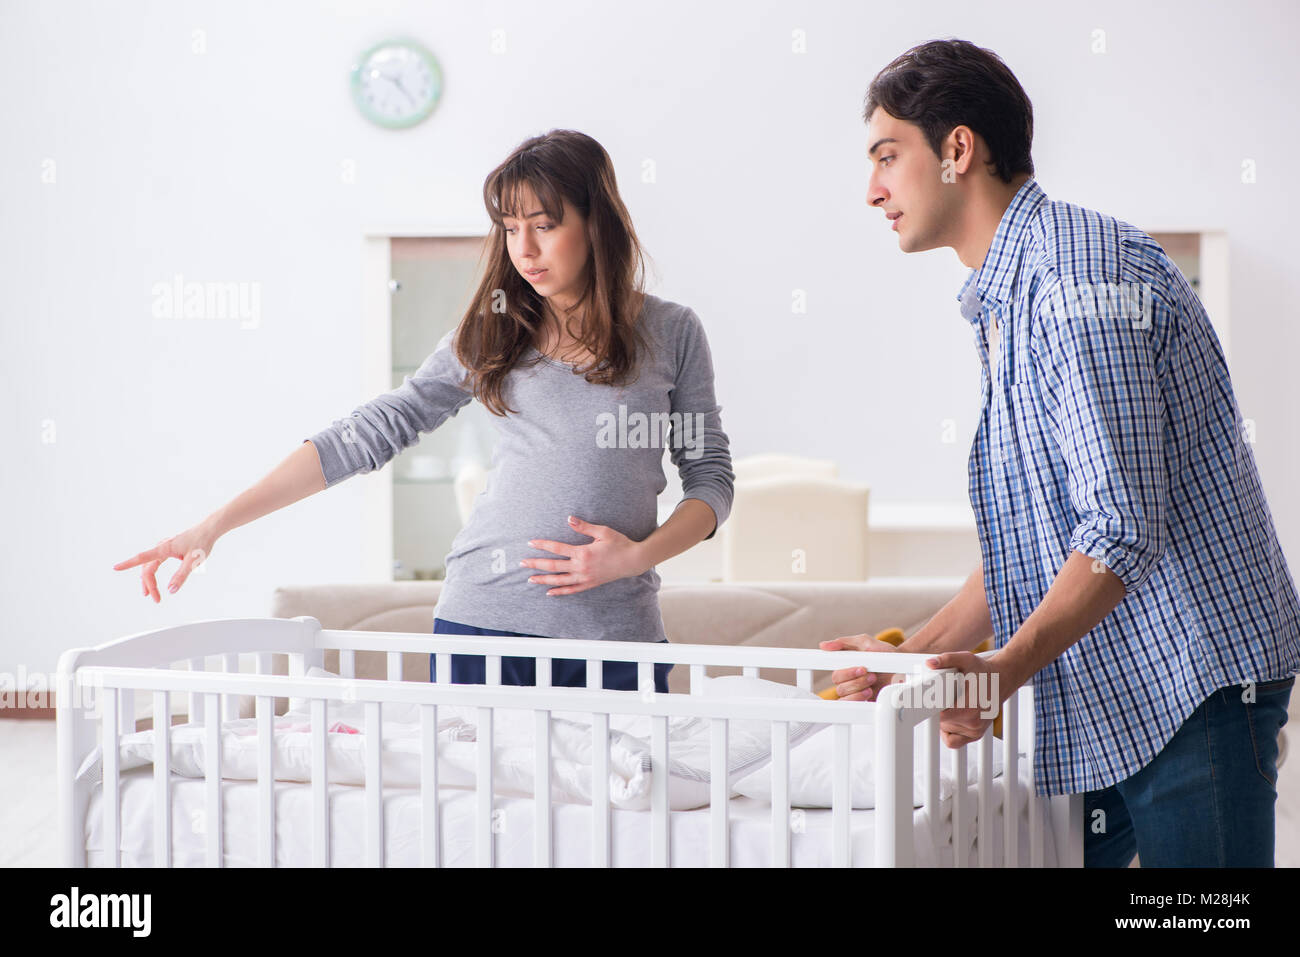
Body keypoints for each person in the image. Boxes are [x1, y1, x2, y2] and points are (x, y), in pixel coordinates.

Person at [819, 38, 1298, 867]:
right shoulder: (1013, 293)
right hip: (1124, 689)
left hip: (1192, 682)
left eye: (887, 157)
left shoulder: (1076, 278)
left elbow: (1120, 525)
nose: (872, 191)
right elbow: (1050, 534)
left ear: (957, 149)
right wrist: (920, 657)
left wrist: (1002, 669)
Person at [113, 129, 735, 695]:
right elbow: (370, 432)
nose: (524, 248)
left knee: (611, 817)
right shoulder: (493, 328)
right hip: (480, 621)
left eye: (544, 225)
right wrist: (214, 525)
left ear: (595, 222)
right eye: (509, 228)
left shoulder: (671, 332)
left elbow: (710, 480)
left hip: (613, 633)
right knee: (474, 816)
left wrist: (636, 556)